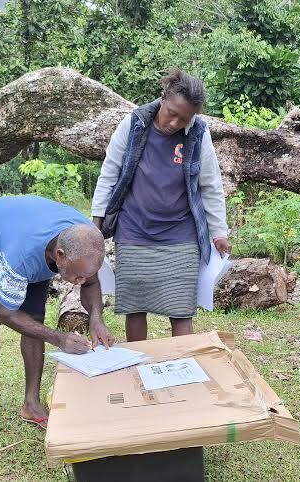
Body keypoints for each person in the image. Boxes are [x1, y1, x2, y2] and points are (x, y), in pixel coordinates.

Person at [91, 69, 230, 342]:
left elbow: (211, 185)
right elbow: (109, 172)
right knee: (135, 308)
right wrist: (96, 223)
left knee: (181, 310)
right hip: (134, 230)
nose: (175, 123)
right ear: (163, 98)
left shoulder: (198, 133)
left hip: (181, 234)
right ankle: (139, 363)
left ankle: (181, 364)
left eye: (184, 119)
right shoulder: (134, 124)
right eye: (171, 113)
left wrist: (219, 232)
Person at [0, 195, 114, 444]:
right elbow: (7, 314)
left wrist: (96, 319)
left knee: (34, 319)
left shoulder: (85, 241)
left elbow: (91, 283)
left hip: (31, 246)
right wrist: (58, 338)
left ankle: (31, 403)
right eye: (77, 276)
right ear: (60, 255)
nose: (80, 282)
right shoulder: (19, 255)